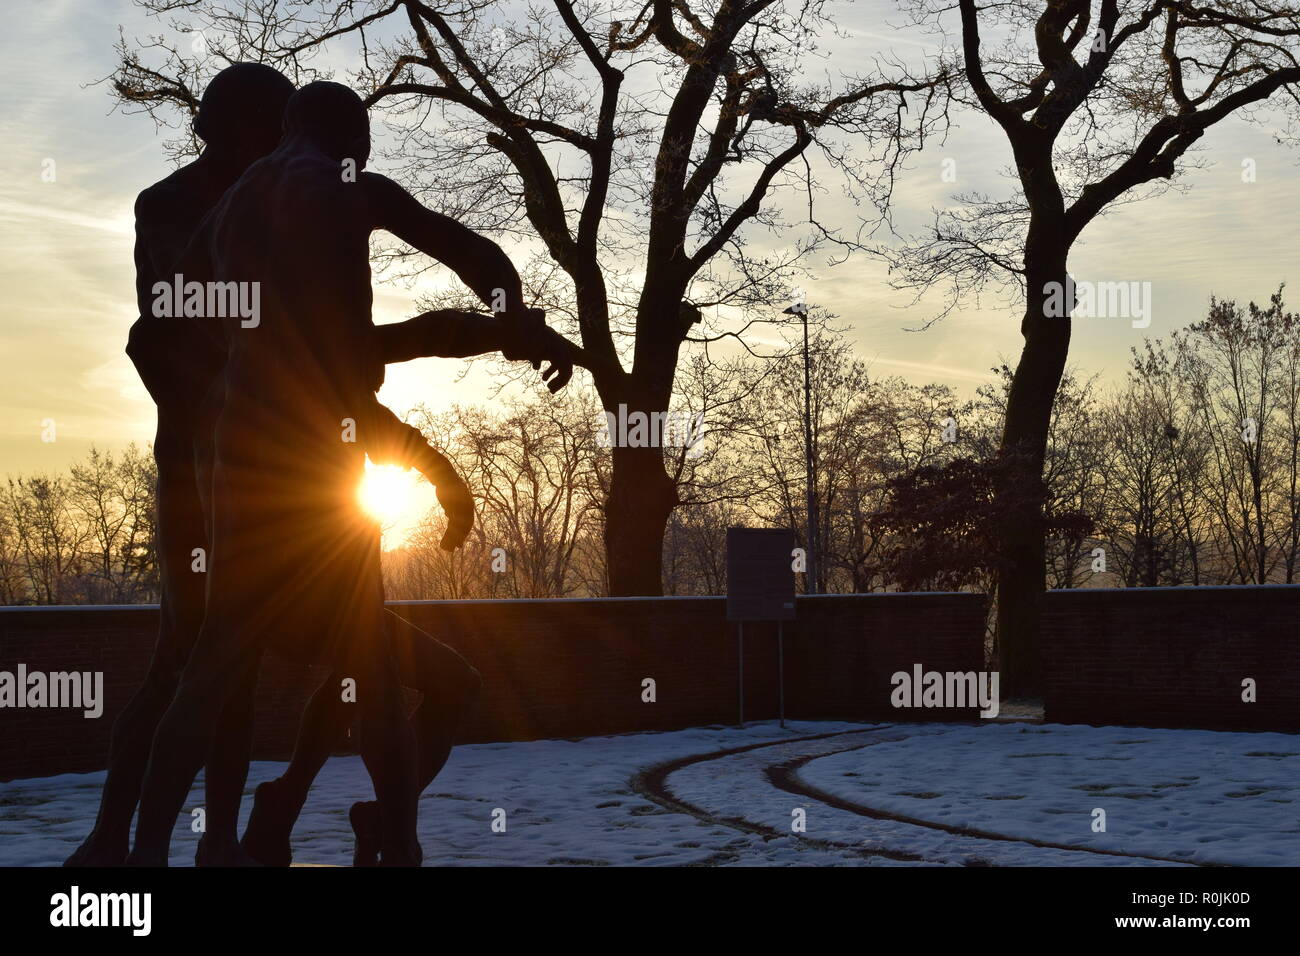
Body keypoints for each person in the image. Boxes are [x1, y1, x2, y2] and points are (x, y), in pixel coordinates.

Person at [68, 65, 571, 867]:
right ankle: (130, 844)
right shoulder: (265, 196)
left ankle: (204, 843)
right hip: (235, 461)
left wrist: (468, 339)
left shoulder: (241, 207)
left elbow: (313, 340)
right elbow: (187, 338)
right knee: (208, 658)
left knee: (240, 658)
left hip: (260, 447)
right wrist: (500, 324)